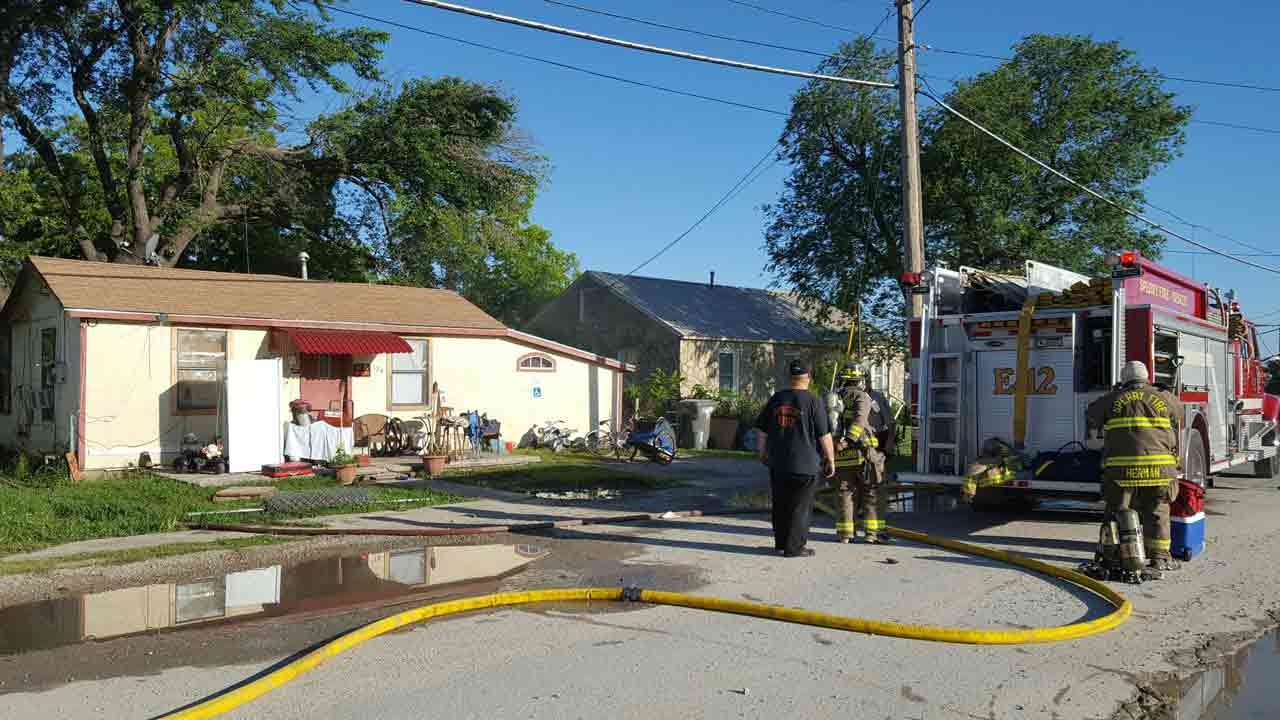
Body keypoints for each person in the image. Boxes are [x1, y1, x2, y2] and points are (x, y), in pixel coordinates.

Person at [1086, 360, 1185, 579]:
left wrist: (1115, 394)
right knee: (1158, 512)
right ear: (1147, 377)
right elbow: (1180, 412)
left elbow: (1091, 414)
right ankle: (1160, 558)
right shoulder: (1164, 396)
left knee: (1117, 512)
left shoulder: (1113, 398)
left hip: (1121, 472)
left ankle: (1114, 556)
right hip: (1160, 469)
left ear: (1124, 379)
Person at [755, 359, 837, 557]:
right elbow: (824, 434)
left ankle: (781, 543)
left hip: (779, 463)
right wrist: (831, 459)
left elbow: (762, 430)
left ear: (790, 377)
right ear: (809, 377)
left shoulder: (777, 398)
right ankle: (794, 548)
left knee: (781, 505)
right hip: (806, 465)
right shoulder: (814, 401)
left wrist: (762, 452)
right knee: (801, 508)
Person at [833, 366, 893, 543]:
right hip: (864, 453)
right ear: (861, 380)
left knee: (845, 493)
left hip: (842, 455)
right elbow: (860, 420)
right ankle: (872, 534)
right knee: (872, 492)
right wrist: (849, 440)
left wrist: (838, 445)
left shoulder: (836, 398)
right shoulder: (863, 397)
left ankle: (845, 534)